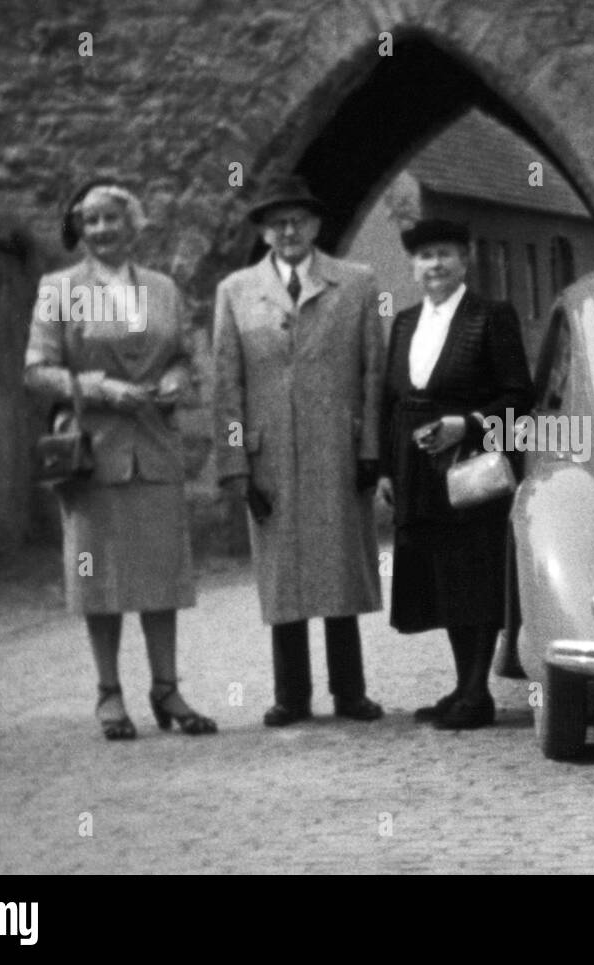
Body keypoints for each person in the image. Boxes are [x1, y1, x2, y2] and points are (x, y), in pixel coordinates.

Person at [24, 179, 216, 740]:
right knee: (97, 575)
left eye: (112, 219)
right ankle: (109, 693)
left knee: (161, 574)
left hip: (155, 447)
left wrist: (176, 382)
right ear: (80, 230)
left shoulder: (162, 289)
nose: (102, 230)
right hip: (93, 453)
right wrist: (103, 387)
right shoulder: (59, 288)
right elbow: (36, 370)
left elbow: (183, 358)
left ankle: (167, 689)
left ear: (134, 226)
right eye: (91, 221)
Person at [213, 175, 385, 726]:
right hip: (269, 454)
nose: (288, 231)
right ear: (264, 231)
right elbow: (226, 386)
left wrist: (370, 448)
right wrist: (236, 464)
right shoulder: (236, 291)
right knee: (283, 572)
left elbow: (373, 372)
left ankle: (350, 692)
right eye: (277, 222)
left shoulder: (356, 283)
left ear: (316, 225)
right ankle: (291, 695)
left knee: (339, 565)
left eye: (299, 220)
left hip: (337, 445)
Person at [378, 219, 536, 730]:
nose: (435, 265)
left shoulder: (491, 317)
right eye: (425, 256)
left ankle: (477, 693)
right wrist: (385, 467)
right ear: (413, 266)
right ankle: (461, 685)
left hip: (470, 467)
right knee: (441, 577)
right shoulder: (403, 322)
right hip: (417, 467)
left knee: (474, 573)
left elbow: (519, 396)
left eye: (445, 254)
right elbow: (390, 399)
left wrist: (465, 423)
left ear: (465, 260)